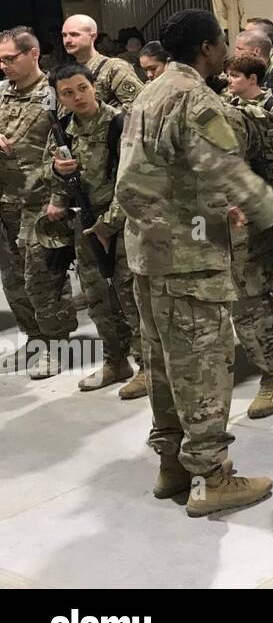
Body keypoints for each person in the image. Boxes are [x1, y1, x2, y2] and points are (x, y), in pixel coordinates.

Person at [110, 9, 273, 517]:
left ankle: (172, 465)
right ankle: (212, 477)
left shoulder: (150, 91)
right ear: (208, 48)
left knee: (165, 368)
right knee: (203, 369)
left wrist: (202, 207)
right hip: (189, 261)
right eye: (221, 42)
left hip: (148, 255)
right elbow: (227, 168)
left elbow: (161, 174)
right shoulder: (195, 97)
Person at [45, 63, 145, 397]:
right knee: (97, 297)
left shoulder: (119, 123)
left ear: (94, 85)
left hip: (120, 222)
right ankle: (115, 361)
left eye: (82, 88)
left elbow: (133, 179)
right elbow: (50, 177)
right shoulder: (62, 129)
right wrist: (58, 172)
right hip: (84, 225)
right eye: (67, 93)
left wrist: (110, 223)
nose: (77, 97)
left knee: (132, 297)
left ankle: (149, 367)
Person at [0, 27, 77, 378]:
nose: (4, 66)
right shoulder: (1, 94)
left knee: (43, 278)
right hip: (6, 199)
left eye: (9, 59)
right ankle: (35, 339)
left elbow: (73, 144)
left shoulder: (55, 93)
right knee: (13, 278)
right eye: (0, 60)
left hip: (41, 200)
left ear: (32, 54)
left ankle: (58, 344)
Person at [221, 56, 273, 418]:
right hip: (197, 228)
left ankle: (270, 377)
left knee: (249, 301)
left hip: (240, 226)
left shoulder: (243, 117)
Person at [61, 15, 141, 110]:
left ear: (93, 36)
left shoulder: (114, 68)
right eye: (64, 35)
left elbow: (136, 106)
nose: (67, 40)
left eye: (74, 34)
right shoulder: (65, 73)